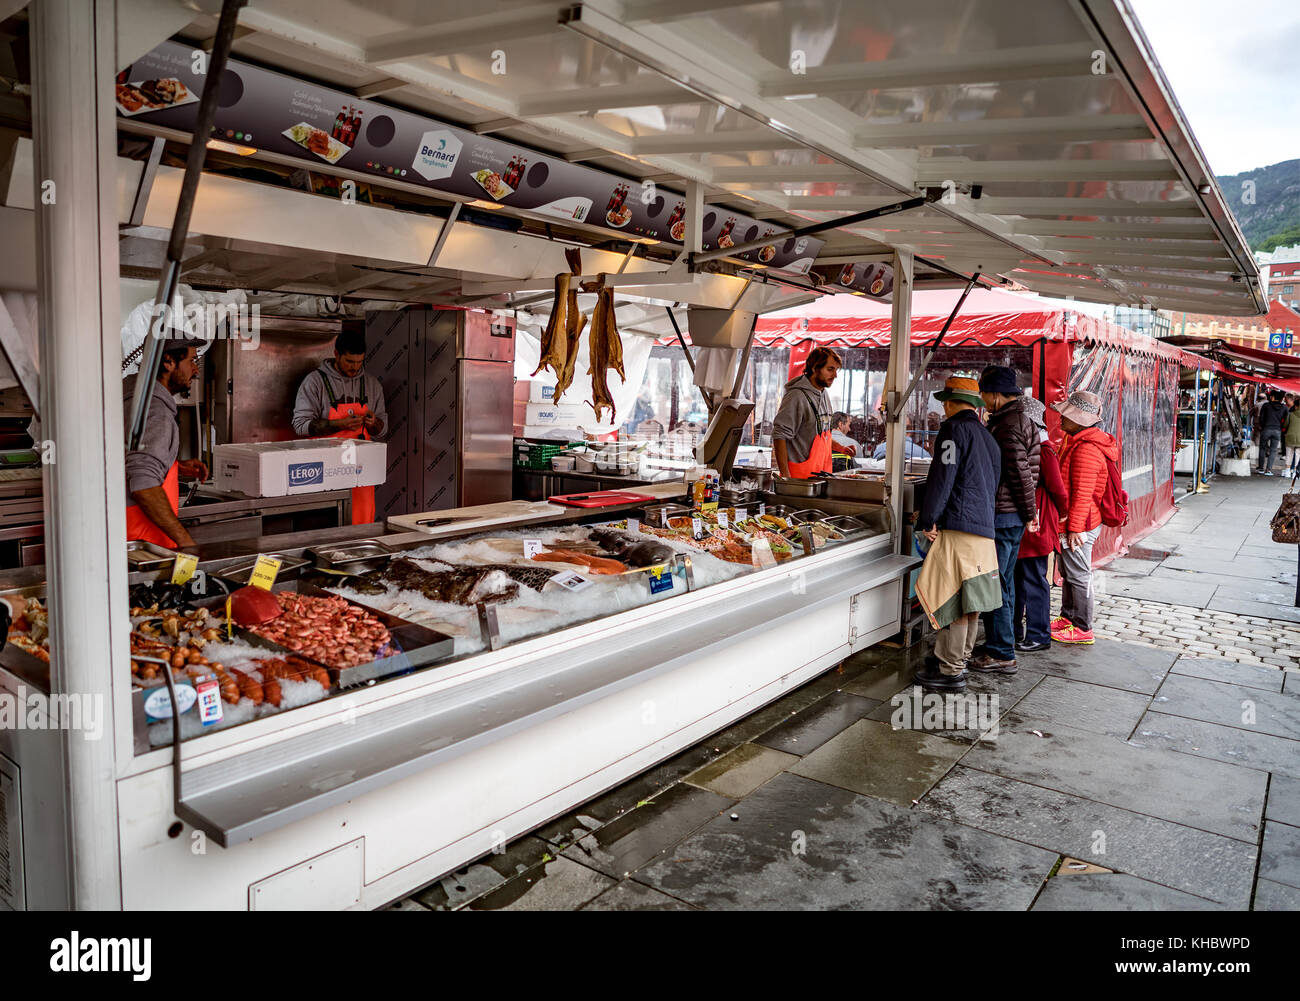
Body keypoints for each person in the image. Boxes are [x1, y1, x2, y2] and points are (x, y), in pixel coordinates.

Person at [912, 376, 1003, 693]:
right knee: (971, 602)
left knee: (951, 598)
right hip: (984, 530)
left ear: (949, 402)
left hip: (960, 528)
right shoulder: (987, 437)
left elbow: (943, 476)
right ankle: (957, 663)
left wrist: (928, 518)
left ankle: (950, 671)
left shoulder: (953, 430)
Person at [967, 365, 1039, 675]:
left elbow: (1020, 474)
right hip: (1010, 516)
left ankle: (1001, 651)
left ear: (996, 395)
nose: (982, 399)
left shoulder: (1009, 424)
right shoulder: (1014, 419)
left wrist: (1029, 514)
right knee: (1002, 583)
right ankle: (1000, 643)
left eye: (984, 393)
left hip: (1005, 516)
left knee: (996, 584)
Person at [292, 324, 388, 524]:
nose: (354, 367)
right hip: (324, 470)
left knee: (361, 524)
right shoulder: (314, 383)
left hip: (361, 471)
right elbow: (300, 425)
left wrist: (374, 423)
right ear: (336, 354)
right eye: (349, 361)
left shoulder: (372, 384)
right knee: (325, 522)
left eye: (359, 362)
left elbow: (382, 428)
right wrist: (338, 424)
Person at [124, 339, 208, 549]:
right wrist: (185, 542)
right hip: (143, 547)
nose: (196, 370)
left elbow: (127, 461)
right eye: (191, 360)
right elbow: (144, 486)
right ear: (168, 362)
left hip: (115, 541)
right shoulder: (155, 412)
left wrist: (174, 467)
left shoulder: (130, 399)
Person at [1051, 390, 1120, 645]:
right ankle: (1068, 618)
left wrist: (1075, 528)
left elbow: (1082, 494)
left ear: (1079, 420)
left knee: (1078, 574)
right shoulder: (1081, 443)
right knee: (1070, 572)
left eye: (1066, 416)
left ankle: (1082, 627)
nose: (1061, 419)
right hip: (1078, 521)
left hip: (1080, 522)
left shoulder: (1086, 449)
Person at [1013, 396, 1067, 652]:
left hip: (1037, 525)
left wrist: (1064, 514)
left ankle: (1038, 634)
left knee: (1034, 580)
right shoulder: (1036, 448)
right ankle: (1018, 631)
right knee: (1020, 580)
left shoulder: (1045, 452)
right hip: (1028, 524)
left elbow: (1058, 489)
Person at [773, 346, 840, 479]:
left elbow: (820, 434)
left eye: (836, 370)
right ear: (815, 368)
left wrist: (841, 448)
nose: (835, 375)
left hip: (820, 477)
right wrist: (786, 476)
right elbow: (779, 436)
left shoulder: (823, 393)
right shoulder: (796, 396)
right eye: (830, 369)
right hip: (798, 480)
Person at [1258, 390, 1288, 475]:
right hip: (1277, 430)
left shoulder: (1266, 405)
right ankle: (1268, 470)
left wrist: (1263, 426)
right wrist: (1282, 428)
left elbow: (1261, 418)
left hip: (1266, 429)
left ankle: (1260, 468)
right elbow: (1286, 420)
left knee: (1262, 448)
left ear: (1273, 397)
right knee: (1273, 450)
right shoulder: (1284, 407)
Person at [1287, 397, 1300, 479]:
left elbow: (1285, 425)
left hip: (1290, 436)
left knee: (1289, 454)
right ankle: (1295, 471)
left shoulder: (1291, 414)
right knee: (1298, 455)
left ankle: (1287, 471)